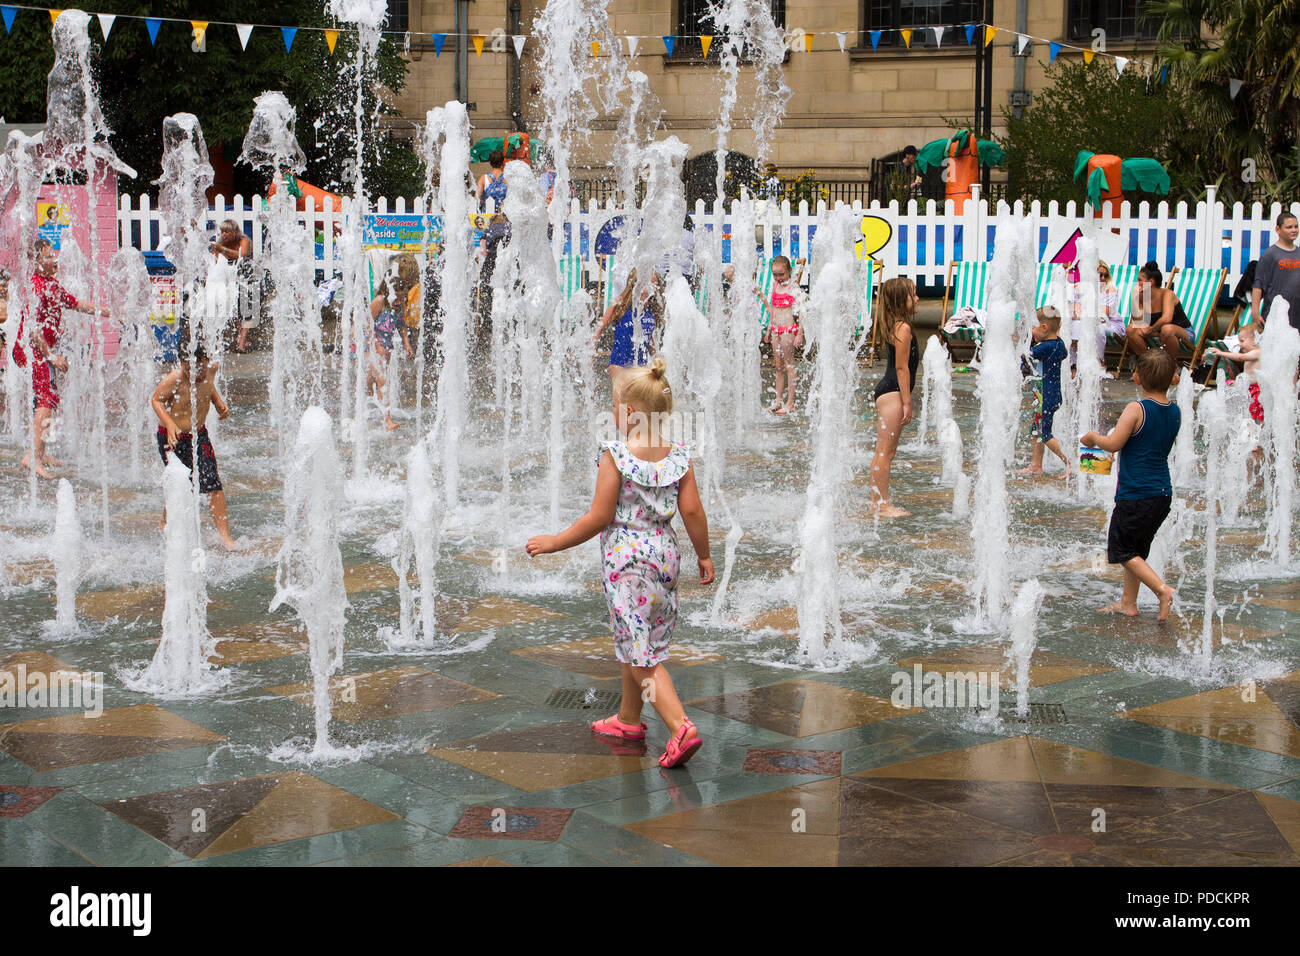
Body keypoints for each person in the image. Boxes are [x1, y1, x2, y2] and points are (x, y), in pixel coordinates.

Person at [524, 359, 714, 769]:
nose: (613, 414)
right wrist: (703, 554)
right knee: (637, 640)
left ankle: (681, 727)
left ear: (629, 413)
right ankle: (629, 720)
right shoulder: (679, 457)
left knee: (642, 653)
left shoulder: (615, 455)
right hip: (665, 558)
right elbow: (693, 512)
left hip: (627, 564)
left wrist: (556, 542)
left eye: (614, 406)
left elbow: (598, 517)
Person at [1081, 349, 1180, 621]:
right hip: (1161, 494)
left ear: (1136, 377)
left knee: (1122, 550)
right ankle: (1128, 603)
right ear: (1174, 378)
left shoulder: (1136, 409)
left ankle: (1162, 590)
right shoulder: (1175, 412)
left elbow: (1114, 443)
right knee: (1135, 552)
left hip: (1136, 494)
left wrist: (1093, 438)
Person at [12, 239, 109, 478]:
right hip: (33, 350)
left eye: (53, 255)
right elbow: (32, 329)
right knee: (46, 400)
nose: (53, 260)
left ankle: (40, 453)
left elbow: (75, 304)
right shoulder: (35, 286)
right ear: (34, 263)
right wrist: (50, 355)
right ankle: (32, 457)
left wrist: (107, 312)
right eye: (47, 257)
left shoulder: (52, 284)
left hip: (40, 351)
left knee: (49, 400)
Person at [151, 339, 239, 550]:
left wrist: (218, 402)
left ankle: (225, 538)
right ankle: (164, 521)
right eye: (188, 368)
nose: (193, 374)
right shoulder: (175, 378)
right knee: (181, 484)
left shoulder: (211, 370)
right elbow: (157, 400)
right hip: (173, 438)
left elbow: (208, 386)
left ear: (206, 361)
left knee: (213, 483)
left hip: (199, 435)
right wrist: (170, 424)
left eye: (197, 369)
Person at [868, 277, 919, 518]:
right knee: (884, 452)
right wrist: (907, 401)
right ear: (901, 301)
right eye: (913, 295)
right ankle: (880, 504)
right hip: (893, 393)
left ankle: (879, 501)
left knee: (886, 452)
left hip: (889, 392)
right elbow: (902, 368)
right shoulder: (903, 328)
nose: (917, 299)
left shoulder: (897, 325)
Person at [367, 253, 417, 431]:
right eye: (397, 298)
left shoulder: (398, 307)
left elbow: (401, 325)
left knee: (372, 382)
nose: (399, 302)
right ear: (389, 292)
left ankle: (367, 410)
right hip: (371, 347)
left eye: (403, 299)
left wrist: (406, 342)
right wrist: (376, 345)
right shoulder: (379, 301)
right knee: (382, 381)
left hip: (385, 348)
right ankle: (386, 420)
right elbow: (366, 326)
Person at [1020, 308, 1071, 477]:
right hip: (1051, 395)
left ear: (1044, 327)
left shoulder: (1044, 347)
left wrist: (1025, 343)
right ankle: (1036, 465)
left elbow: (1024, 356)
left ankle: (1071, 462)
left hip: (1045, 397)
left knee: (1045, 433)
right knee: (1037, 430)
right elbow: (1063, 354)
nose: (1031, 331)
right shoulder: (1058, 343)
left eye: (1033, 328)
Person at [593, 267, 660, 387]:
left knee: (640, 405)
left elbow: (648, 339)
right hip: (620, 365)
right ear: (637, 284)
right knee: (622, 406)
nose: (654, 290)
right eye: (650, 285)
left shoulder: (649, 308)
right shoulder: (621, 304)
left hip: (641, 368)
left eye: (655, 285)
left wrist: (658, 359)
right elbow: (599, 329)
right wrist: (591, 352)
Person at [1124, 261, 1189, 361]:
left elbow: (1167, 319)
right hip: (1158, 332)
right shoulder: (1141, 297)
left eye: (1139, 280)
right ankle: (1150, 363)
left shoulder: (1167, 294)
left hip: (1182, 332)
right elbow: (1138, 322)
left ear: (1150, 283)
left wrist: (1150, 330)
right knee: (1131, 329)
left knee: (1166, 329)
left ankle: (1172, 366)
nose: (1137, 283)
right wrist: (1135, 298)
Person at [763, 256, 803, 415]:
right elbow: (773, 310)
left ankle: (790, 403)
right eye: (775, 274)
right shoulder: (774, 286)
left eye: (781, 274)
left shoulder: (794, 288)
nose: (778, 278)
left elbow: (802, 313)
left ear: (789, 272)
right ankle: (778, 401)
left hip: (788, 330)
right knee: (778, 366)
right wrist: (768, 329)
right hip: (775, 329)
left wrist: (799, 333)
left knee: (789, 365)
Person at [209, 220, 255, 352]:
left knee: (249, 301)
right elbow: (217, 265)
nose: (224, 234)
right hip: (230, 280)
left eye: (227, 231)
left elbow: (242, 254)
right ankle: (238, 337)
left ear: (235, 232)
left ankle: (242, 340)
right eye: (222, 231)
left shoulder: (243, 240)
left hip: (247, 277)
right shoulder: (220, 244)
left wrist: (222, 250)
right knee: (228, 300)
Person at [1206, 319, 1263, 423]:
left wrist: (1222, 353)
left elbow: (1241, 357)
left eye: (1242, 341)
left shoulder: (1257, 352)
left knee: (1253, 416)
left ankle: (1253, 434)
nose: (1239, 344)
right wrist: (1237, 383)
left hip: (1256, 391)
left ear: (1254, 340)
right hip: (1249, 388)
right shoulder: (1253, 353)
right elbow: (1248, 374)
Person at [1252, 211, 1300, 330]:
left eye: (1296, 226)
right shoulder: (1270, 254)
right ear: (1278, 229)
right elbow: (1258, 284)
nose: (1294, 230)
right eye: (1289, 227)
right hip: (1276, 312)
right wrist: (1255, 311)